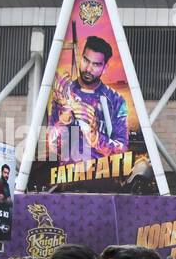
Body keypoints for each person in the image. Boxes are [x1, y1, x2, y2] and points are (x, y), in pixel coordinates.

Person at [48, 35, 128, 163]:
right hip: (67, 176)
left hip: (101, 177)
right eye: (86, 60)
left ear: (105, 68)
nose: (88, 68)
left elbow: (122, 150)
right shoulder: (64, 94)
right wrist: (64, 120)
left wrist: (95, 137)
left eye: (96, 64)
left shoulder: (116, 100)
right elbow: (51, 146)